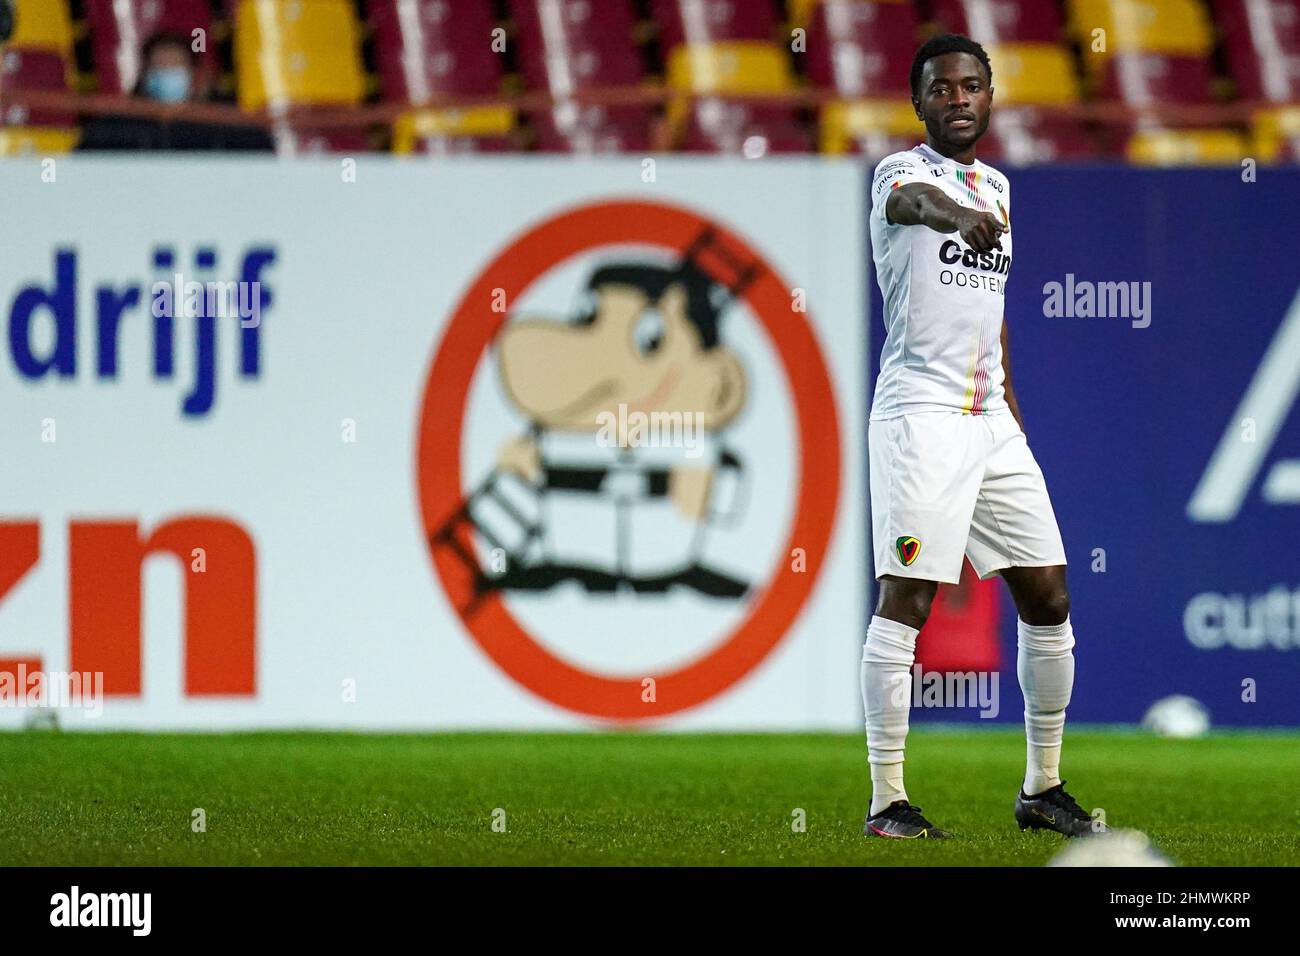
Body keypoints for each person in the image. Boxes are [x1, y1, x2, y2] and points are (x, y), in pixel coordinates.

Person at [861, 34, 1104, 839]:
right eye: (942, 89)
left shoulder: (998, 185)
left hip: (990, 420)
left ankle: (1042, 787)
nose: (958, 99)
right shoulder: (900, 174)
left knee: (1050, 594)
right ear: (919, 103)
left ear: (989, 96)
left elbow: (988, 318)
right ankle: (888, 801)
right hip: (920, 417)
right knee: (909, 601)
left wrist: (1013, 418)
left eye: (971, 86)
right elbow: (915, 210)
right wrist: (957, 216)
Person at [79, 32, 273, 152]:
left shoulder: (227, 123)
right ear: (145, 76)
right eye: (159, 68)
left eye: (175, 68)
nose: (166, 74)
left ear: (194, 76)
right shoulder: (118, 126)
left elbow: (260, 162)